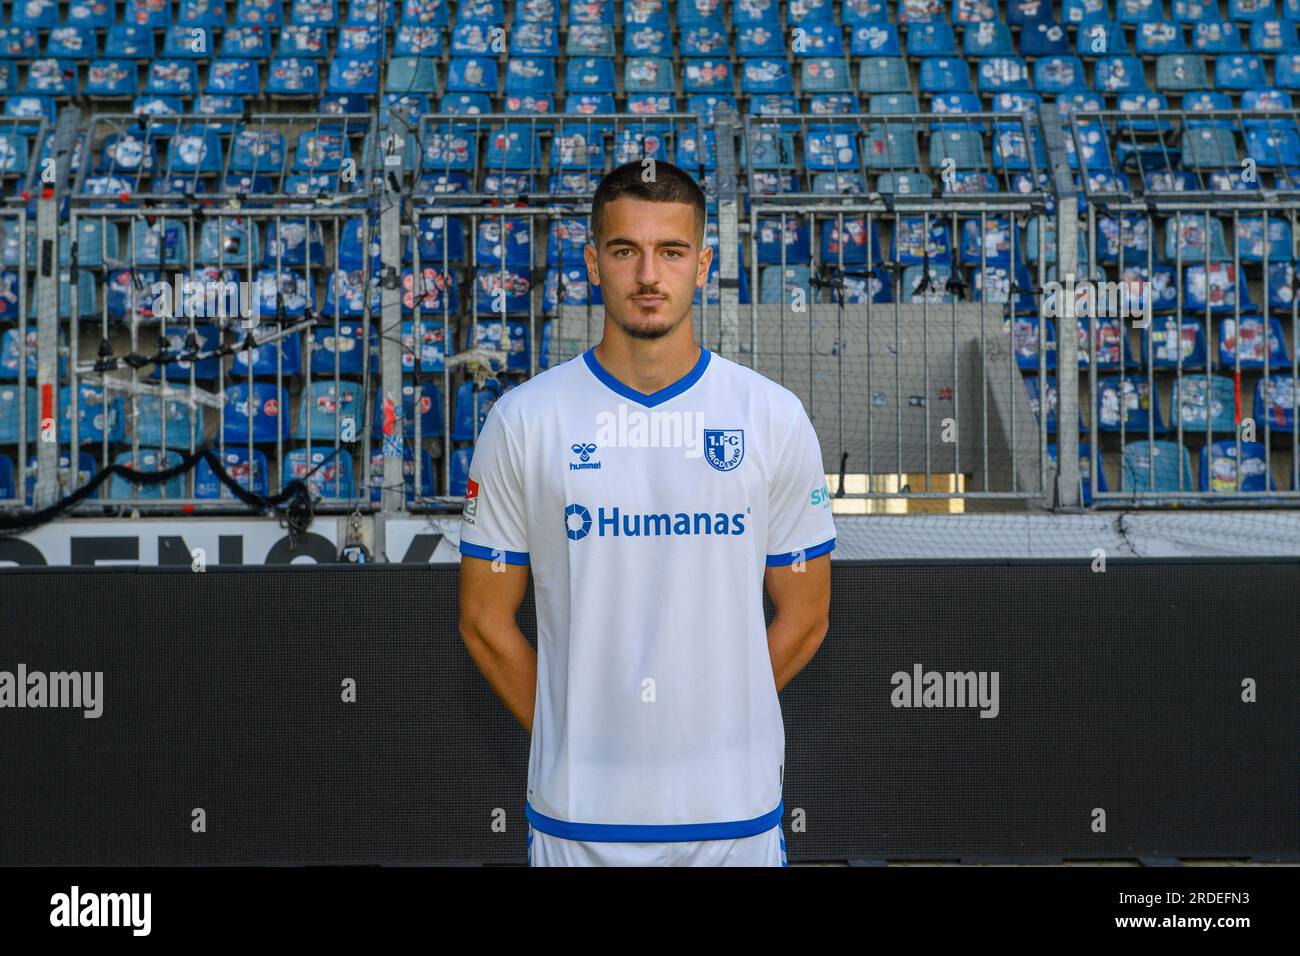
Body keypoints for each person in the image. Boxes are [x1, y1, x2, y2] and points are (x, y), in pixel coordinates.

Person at [458, 160, 835, 866]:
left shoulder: (771, 418)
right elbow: (483, 622)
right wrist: (584, 731)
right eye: (626, 250)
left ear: (704, 264)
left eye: (672, 251)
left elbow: (807, 615)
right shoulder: (524, 421)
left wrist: (707, 717)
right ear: (593, 263)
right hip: (579, 822)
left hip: (734, 818)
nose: (648, 275)